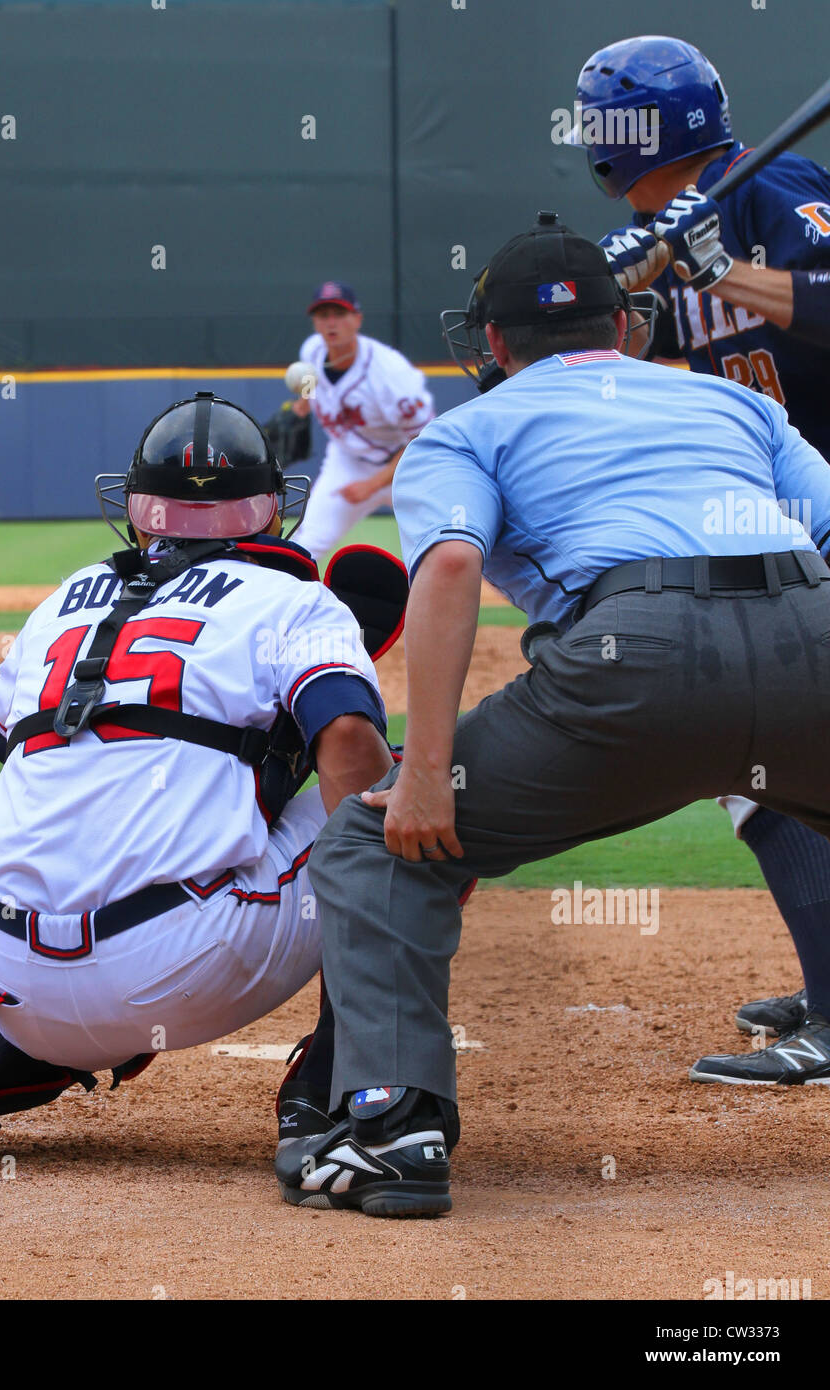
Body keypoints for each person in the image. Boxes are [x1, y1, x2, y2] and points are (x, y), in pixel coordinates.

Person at [275, 213, 830, 1217]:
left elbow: (446, 566)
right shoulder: (728, 404)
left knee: (372, 846)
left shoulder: (466, 428)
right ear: (622, 325)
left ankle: (395, 1129)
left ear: (489, 343)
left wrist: (427, 770)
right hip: (814, 628)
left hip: (634, 665)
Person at [0, 393, 398, 1168]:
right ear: (270, 509)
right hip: (188, 970)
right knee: (404, 794)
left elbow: (6, 738)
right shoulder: (295, 600)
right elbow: (351, 742)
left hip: (7, 981)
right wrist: (286, 764)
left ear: (137, 507)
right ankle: (336, 1102)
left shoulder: (61, 599)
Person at [570, 34, 830, 1082]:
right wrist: (621, 302)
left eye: (605, 121)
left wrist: (720, 266)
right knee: (767, 758)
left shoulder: (779, 189)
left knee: (765, 752)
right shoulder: (651, 226)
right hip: (774, 527)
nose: (593, 138)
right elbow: (625, 375)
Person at [290, 280, 434, 559]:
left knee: (444, 544)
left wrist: (372, 485)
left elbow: (422, 439)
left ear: (357, 319)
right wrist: (302, 406)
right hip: (348, 461)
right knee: (308, 541)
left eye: (340, 314)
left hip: (408, 468)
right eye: (323, 315)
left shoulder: (392, 374)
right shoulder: (312, 351)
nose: (331, 323)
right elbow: (310, 378)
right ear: (315, 323)